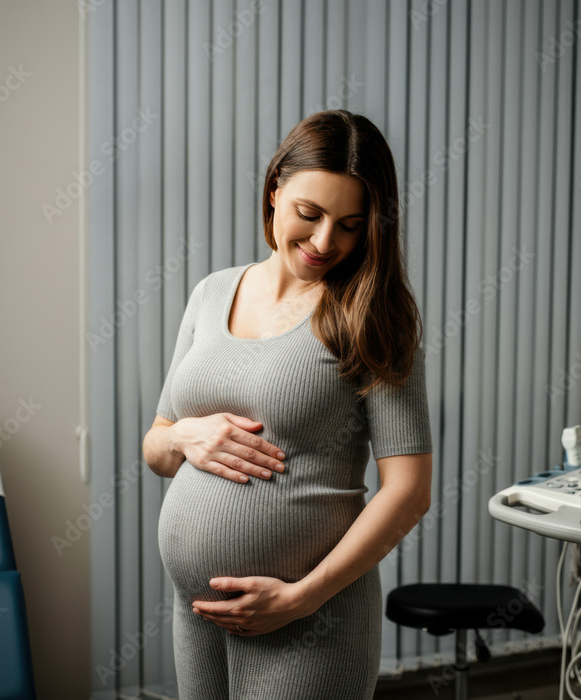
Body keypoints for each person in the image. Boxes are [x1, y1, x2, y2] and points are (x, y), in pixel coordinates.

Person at [142, 109, 434, 700]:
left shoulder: (371, 316)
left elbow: (408, 491)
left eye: (351, 225)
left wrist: (302, 597)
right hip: (197, 612)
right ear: (275, 191)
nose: (326, 242)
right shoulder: (211, 293)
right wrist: (183, 437)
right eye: (310, 214)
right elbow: (157, 446)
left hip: (310, 621)